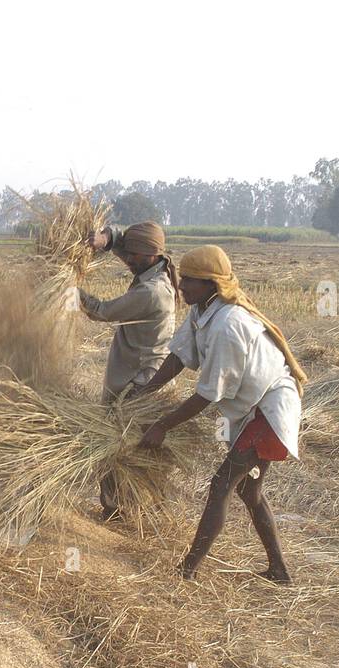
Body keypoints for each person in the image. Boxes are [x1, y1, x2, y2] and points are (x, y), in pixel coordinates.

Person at [132, 245, 306, 584]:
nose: (181, 287)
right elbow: (179, 356)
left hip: (269, 410)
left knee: (221, 486)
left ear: (211, 283)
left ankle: (187, 571)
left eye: (190, 281)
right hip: (252, 408)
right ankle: (279, 571)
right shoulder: (203, 311)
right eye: (182, 279)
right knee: (249, 492)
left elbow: (209, 394)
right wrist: (146, 391)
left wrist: (162, 426)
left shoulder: (229, 324)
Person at [79, 221, 178, 521]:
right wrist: (105, 239)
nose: (127, 260)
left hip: (138, 380)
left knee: (119, 444)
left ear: (149, 255)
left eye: (132, 256)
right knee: (128, 445)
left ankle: (120, 510)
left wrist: (68, 290)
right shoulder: (151, 267)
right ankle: (122, 506)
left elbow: (101, 312)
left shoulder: (151, 292)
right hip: (134, 370)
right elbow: (124, 243)